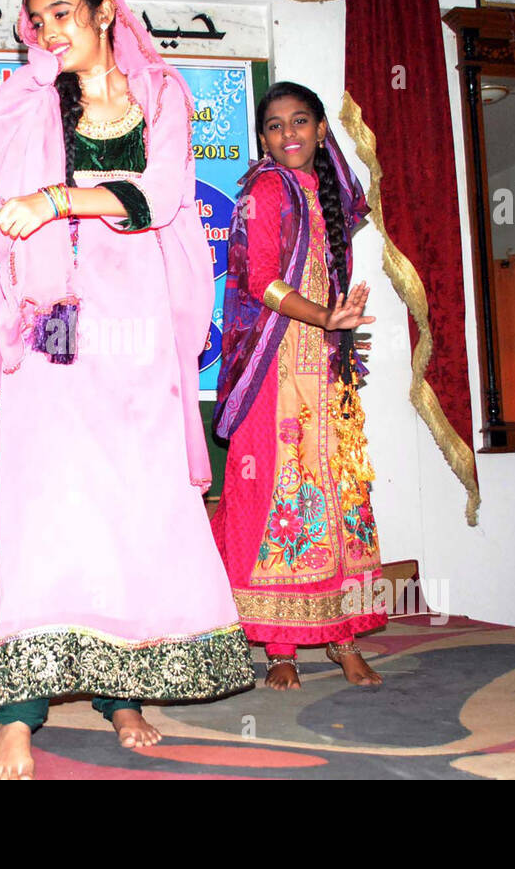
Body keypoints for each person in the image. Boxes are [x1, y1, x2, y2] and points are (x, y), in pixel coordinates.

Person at [0, 0, 255, 779]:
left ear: (104, 13)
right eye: (35, 21)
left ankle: (126, 689)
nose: (46, 32)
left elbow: (161, 194)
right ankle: (18, 713)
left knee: (133, 498)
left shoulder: (162, 95)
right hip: (56, 323)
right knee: (43, 500)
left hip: (139, 323)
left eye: (60, 14)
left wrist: (52, 198)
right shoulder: (33, 95)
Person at [211, 81, 387, 692]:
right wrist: (322, 318)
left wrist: (336, 333)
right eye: (276, 125)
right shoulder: (265, 189)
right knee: (280, 501)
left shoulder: (331, 194)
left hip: (328, 372)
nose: (289, 134)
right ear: (262, 138)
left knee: (338, 497)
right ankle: (279, 647)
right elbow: (260, 281)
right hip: (275, 368)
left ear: (319, 131)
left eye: (301, 121)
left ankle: (341, 638)